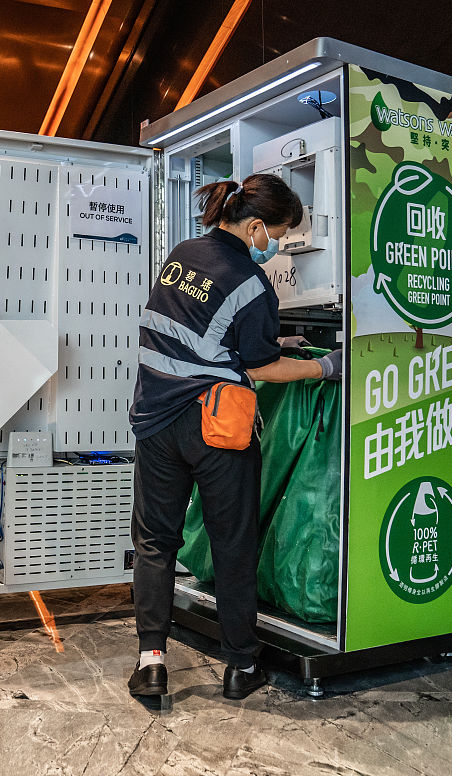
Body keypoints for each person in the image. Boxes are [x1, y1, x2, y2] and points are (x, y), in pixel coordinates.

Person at [127, 173, 342, 701]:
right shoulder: (251, 282)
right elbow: (264, 369)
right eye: (278, 233)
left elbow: (201, 325)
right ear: (255, 226)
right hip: (214, 427)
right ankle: (241, 667)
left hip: (155, 421)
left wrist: (269, 335)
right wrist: (325, 367)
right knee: (233, 546)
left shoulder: (182, 253)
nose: (277, 244)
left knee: (155, 542)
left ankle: (151, 661)